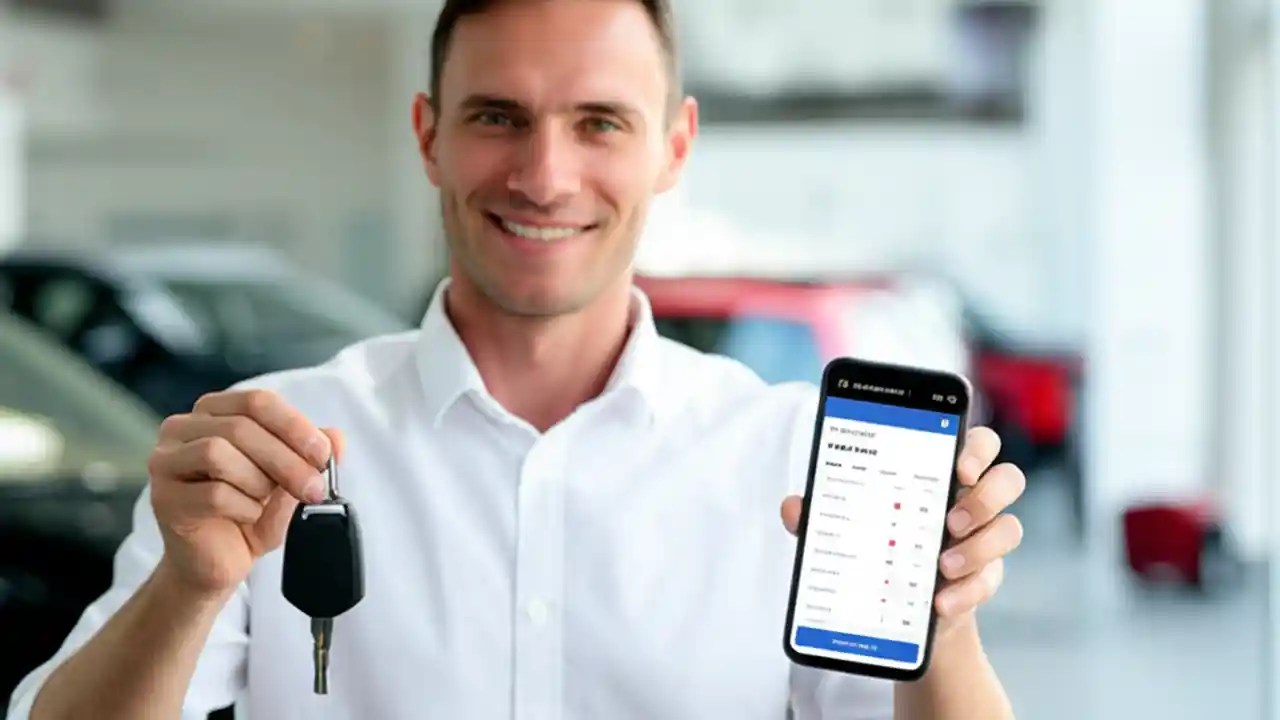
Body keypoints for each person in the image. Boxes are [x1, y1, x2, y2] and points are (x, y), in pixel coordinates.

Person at [8, 0, 1026, 718]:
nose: (544, 176)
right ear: (428, 136)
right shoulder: (268, 443)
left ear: (672, 149)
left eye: (599, 123)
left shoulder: (792, 460)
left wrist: (939, 622)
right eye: (498, 117)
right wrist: (185, 590)